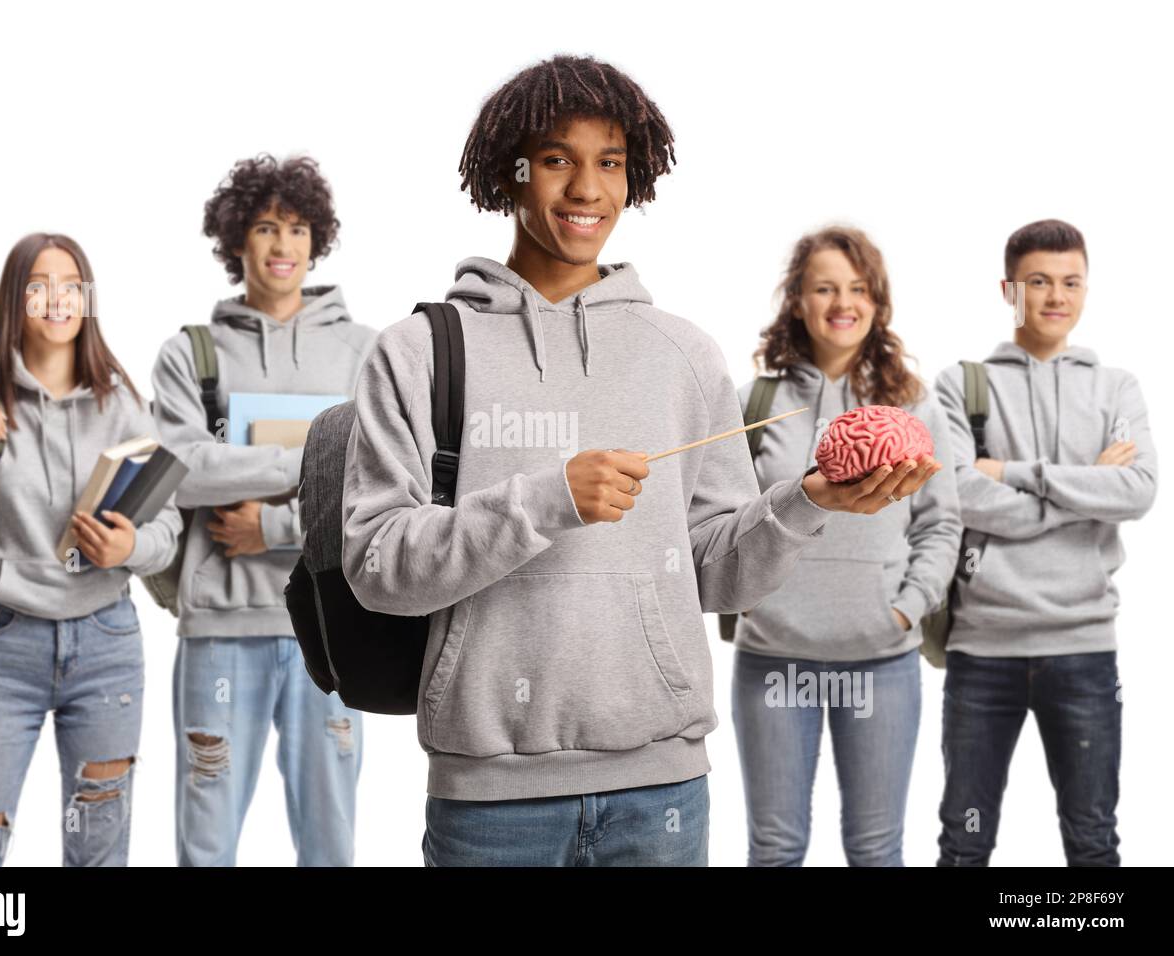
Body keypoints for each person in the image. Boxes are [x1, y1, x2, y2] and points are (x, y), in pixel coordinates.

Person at [341, 54, 940, 867]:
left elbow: (717, 574)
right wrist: (546, 499)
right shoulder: (416, 353)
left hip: (663, 791)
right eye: (557, 159)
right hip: (489, 801)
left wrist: (805, 502)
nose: (588, 188)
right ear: (506, 173)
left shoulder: (684, 354)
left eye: (610, 163)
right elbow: (378, 567)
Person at [0, 232, 182, 866]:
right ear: (15, 300)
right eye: (39, 286)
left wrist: (130, 546)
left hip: (107, 646)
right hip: (1, 646)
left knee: (100, 845)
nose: (56, 300)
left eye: (70, 286)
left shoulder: (123, 404)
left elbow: (167, 532)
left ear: (87, 300)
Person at [151, 154, 377, 866]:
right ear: (235, 241)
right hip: (220, 625)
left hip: (333, 629)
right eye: (266, 228)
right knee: (206, 837)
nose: (284, 246)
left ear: (318, 240)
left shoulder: (363, 353)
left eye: (299, 229)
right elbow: (178, 471)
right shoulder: (194, 354)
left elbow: (379, 486)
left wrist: (273, 523)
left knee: (330, 838)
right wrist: (308, 462)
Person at [731, 226, 959, 866]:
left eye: (858, 289)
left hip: (881, 658)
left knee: (876, 849)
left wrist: (906, 608)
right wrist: (753, 604)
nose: (842, 302)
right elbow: (721, 519)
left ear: (877, 302)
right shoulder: (757, 401)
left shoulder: (915, 403)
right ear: (797, 300)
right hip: (774, 656)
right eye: (825, 287)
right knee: (775, 849)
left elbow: (941, 523)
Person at [934, 219, 1158, 866]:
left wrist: (1014, 472)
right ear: (1009, 289)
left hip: (1083, 650)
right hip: (982, 652)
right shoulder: (962, 383)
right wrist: (1086, 486)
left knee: (1092, 844)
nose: (1055, 296)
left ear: (1086, 289)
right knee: (964, 845)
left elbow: (1140, 491)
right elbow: (955, 493)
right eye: (1038, 282)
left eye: (1070, 282)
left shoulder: (1116, 387)